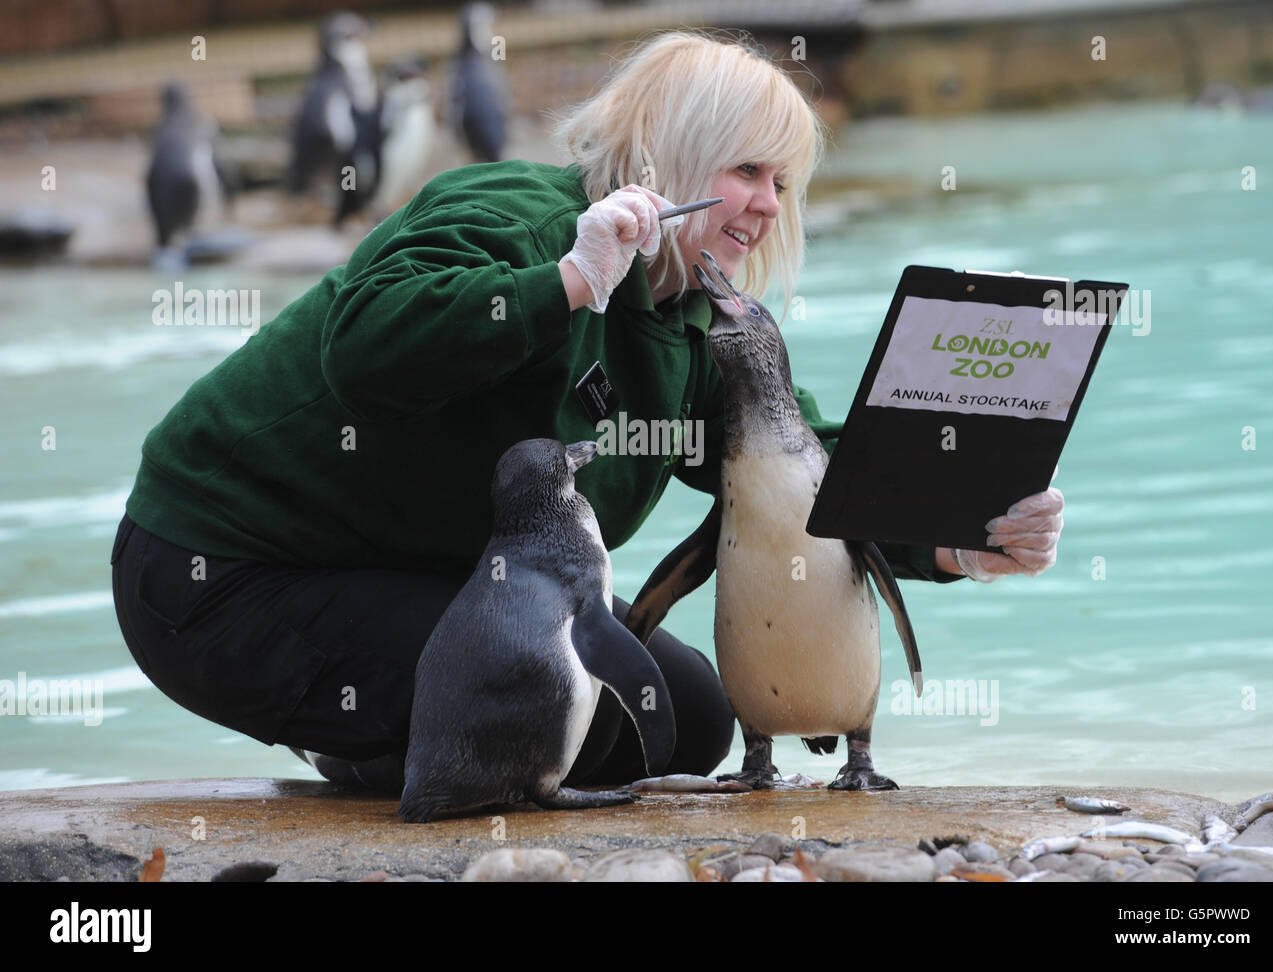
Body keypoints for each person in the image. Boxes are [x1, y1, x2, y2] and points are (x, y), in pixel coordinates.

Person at [110, 31, 1063, 791]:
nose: (769, 207)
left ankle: (391, 740)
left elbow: (804, 462)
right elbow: (364, 349)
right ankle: (376, 747)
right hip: (223, 572)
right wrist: (564, 283)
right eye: (746, 171)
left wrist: (956, 533)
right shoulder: (509, 212)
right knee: (605, 721)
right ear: (671, 154)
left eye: (782, 183)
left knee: (688, 719)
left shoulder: (693, 319)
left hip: (421, 577)